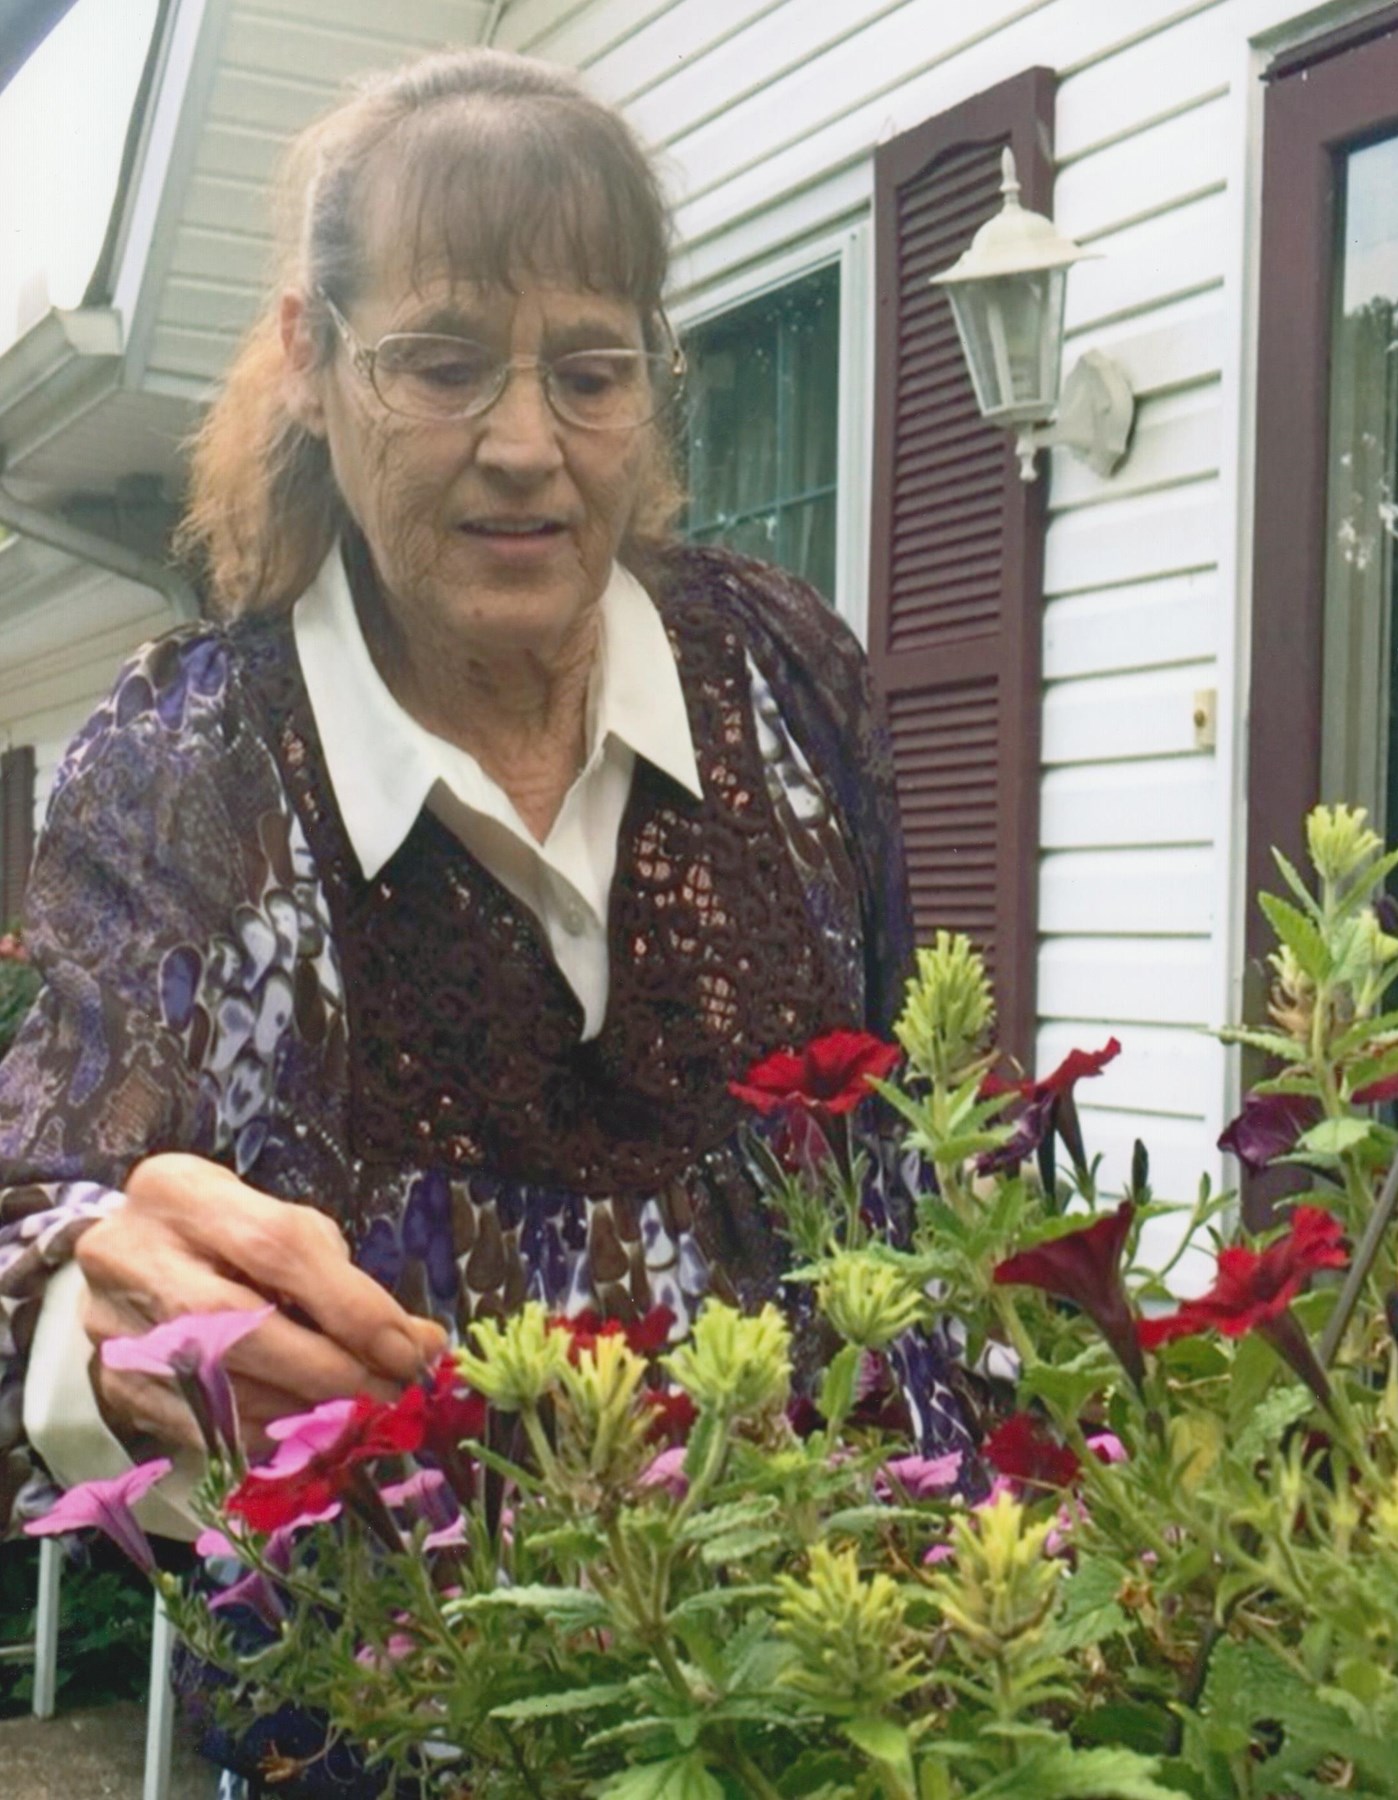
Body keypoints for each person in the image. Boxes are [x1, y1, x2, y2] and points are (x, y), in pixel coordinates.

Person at [0, 44, 934, 1796]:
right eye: (440, 363)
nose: (525, 446)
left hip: (807, 1676)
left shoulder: (793, 678)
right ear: (311, 361)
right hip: (389, 1717)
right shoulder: (186, 754)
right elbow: (51, 1191)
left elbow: (905, 1140)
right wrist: (83, 1299)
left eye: (589, 371)